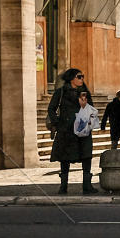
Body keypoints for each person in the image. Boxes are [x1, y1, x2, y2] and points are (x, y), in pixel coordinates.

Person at [47, 67, 94, 195]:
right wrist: (57, 122)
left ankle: (87, 185)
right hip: (66, 130)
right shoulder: (61, 92)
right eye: (79, 77)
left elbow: (91, 109)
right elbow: (51, 109)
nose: (82, 79)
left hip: (82, 128)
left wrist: (85, 107)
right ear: (71, 79)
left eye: (82, 76)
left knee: (86, 156)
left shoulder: (84, 93)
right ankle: (63, 186)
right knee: (64, 158)